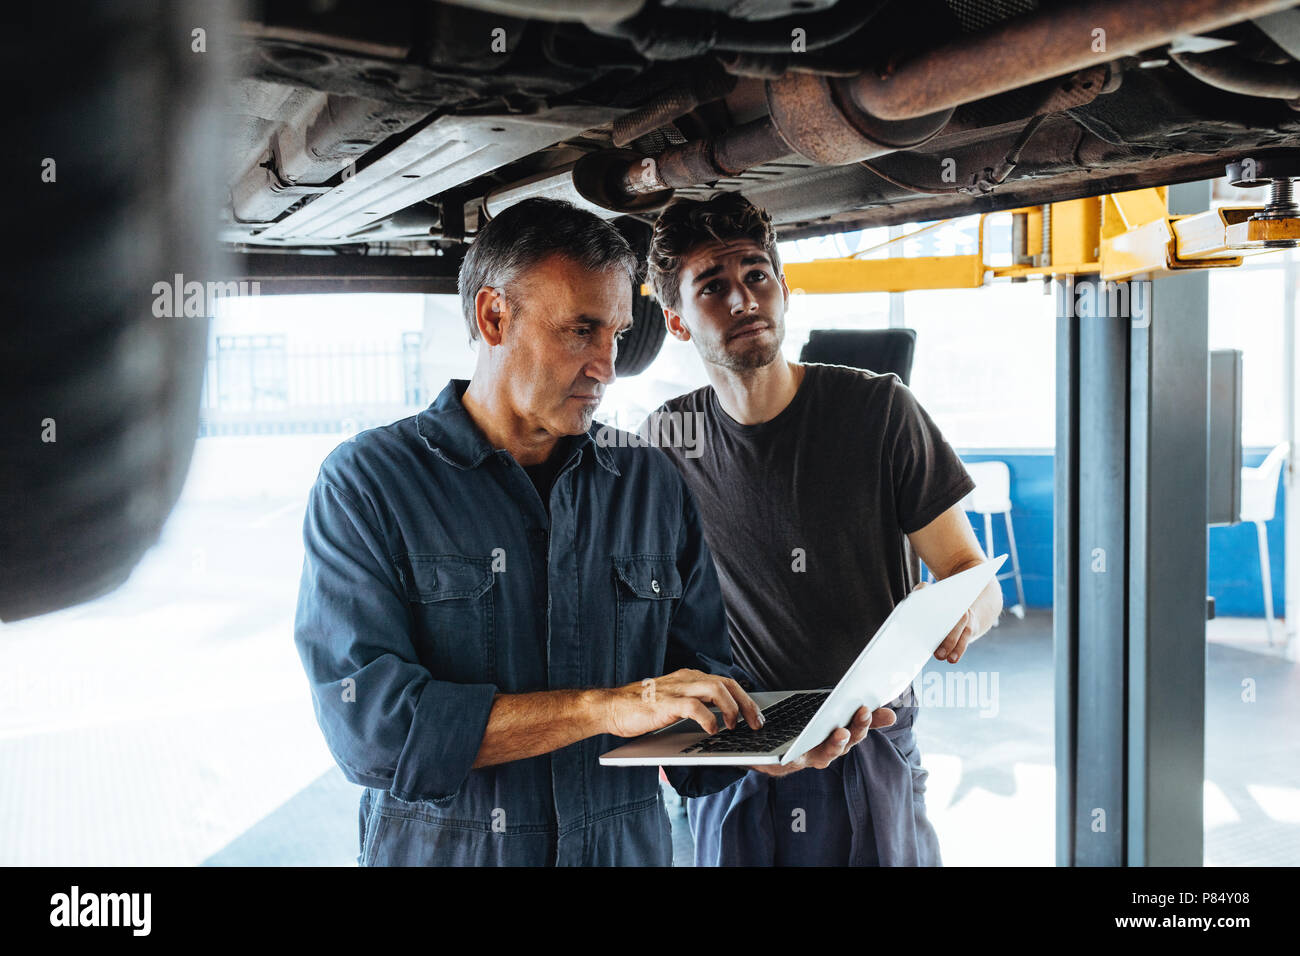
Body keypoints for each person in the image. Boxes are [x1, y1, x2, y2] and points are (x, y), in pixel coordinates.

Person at [292, 196, 890, 866]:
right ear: (494, 317)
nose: (607, 366)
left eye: (617, 334)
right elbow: (371, 731)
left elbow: (690, 697)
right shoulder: (369, 483)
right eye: (580, 331)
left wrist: (764, 746)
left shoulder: (649, 483)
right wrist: (604, 709)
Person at [640, 190, 1003, 866]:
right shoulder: (667, 440)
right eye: (712, 287)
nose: (744, 299)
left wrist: (963, 616)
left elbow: (972, 580)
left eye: (756, 275)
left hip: (870, 741)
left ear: (785, 288)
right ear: (677, 322)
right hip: (746, 755)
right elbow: (652, 616)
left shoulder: (879, 411)